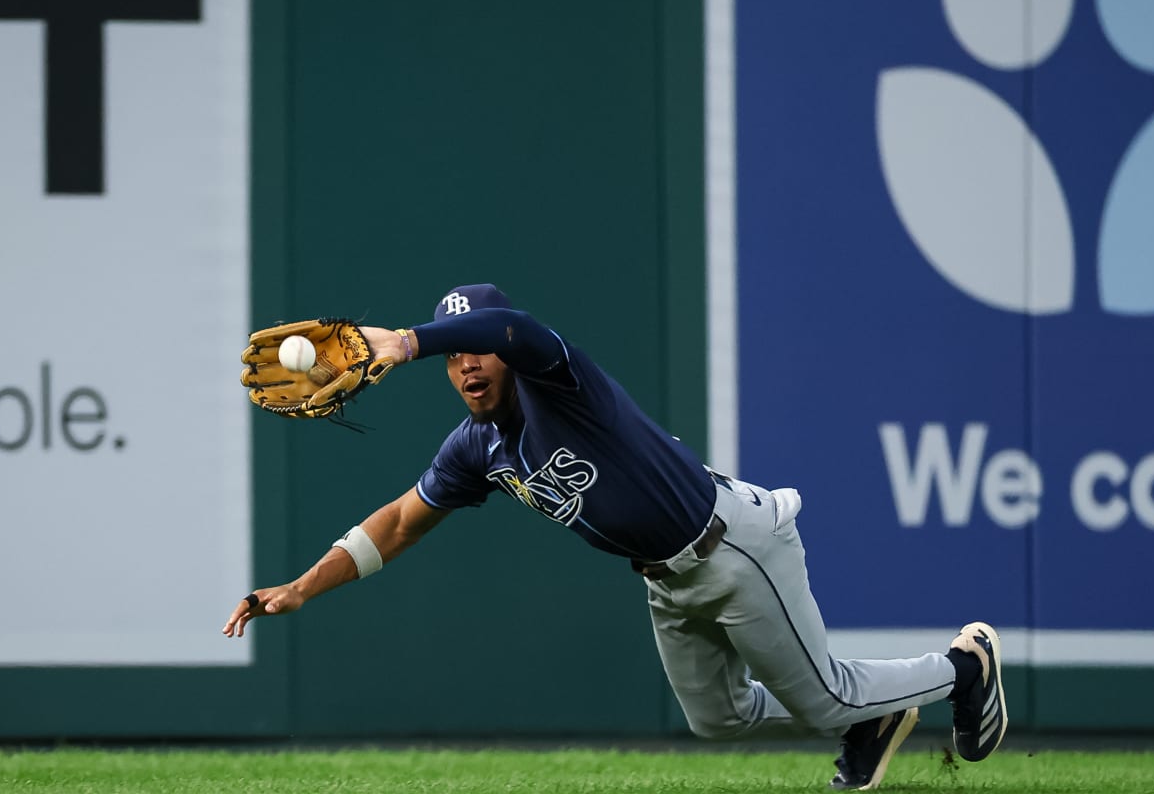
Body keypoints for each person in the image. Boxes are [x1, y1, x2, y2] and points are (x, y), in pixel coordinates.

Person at [222, 283, 1007, 790]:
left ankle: (962, 666)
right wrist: (300, 586)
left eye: (478, 350)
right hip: (666, 579)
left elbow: (515, 325)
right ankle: (868, 721)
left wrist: (405, 340)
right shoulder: (477, 448)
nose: (468, 364)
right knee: (719, 720)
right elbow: (394, 524)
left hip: (729, 546)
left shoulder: (559, 382)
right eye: (454, 356)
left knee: (825, 693)